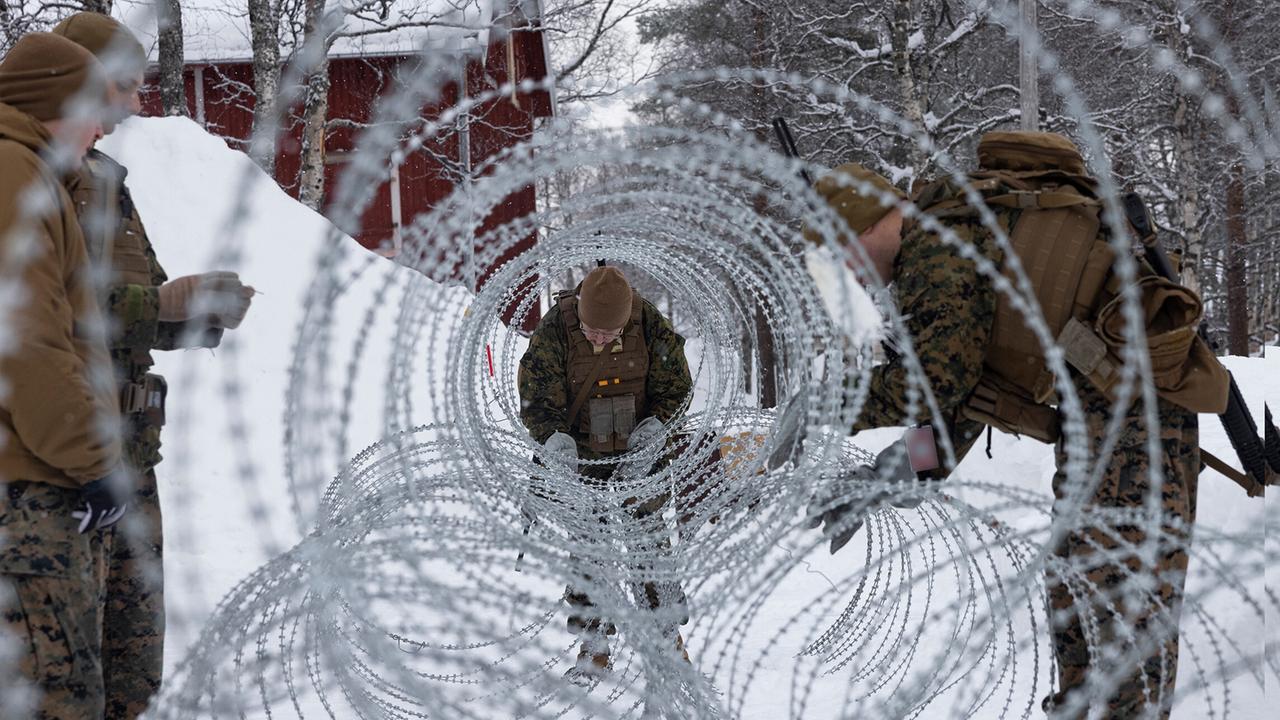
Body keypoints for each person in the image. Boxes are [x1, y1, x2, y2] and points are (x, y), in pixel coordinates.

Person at [803, 134, 1219, 719]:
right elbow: (968, 396)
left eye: (838, 252)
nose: (848, 272)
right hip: (1104, 410)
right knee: (1079, 579)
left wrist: (829, 404)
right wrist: (889, 473)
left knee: (1121, 590)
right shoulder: (945, 234)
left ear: (860, 227)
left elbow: (938, 384)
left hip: (1135, 409)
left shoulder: (935, 248)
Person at [50, 12, 256, 717]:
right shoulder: (23, 175)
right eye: (125, 88)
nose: (137, 107)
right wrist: (155, 301)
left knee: (131, 668)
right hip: (58, 467)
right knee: (61, 675)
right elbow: (40, 311)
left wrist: (194, 311)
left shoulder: (106, 180)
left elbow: (135, 304)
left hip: (130, 460)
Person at [0, 31, 125, 718]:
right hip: (30, 495)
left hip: (35, 480)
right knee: (57, 695)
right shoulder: (14, 173)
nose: (102, 127)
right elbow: (27, 342)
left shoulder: (32, 173)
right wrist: (92, 458)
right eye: (92, 108)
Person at [518, 265, 693, 683]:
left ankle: (668, 643)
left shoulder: (648, 323)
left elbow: (677, 387)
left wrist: (657, 426)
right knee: (590, 550)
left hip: (640, 455)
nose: (598, 339)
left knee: (650, 551)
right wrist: (553, 438)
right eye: (592, 331)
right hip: (581, 458)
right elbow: (537, 398)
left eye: (608, 334)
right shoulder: (555, 330)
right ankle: (593, 646)